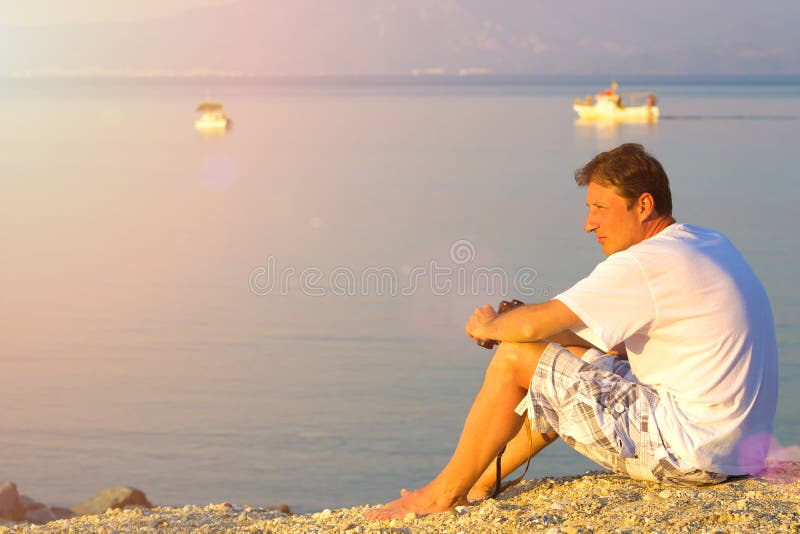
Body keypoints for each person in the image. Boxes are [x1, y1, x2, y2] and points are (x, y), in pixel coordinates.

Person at [366, 143, 778, 519]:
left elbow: (530, 326)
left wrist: (490, 324)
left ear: (643, 205)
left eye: (600, 207)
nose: (588, 223)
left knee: (515, 359)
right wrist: (534, 335)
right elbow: (604, 345)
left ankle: (442, 495)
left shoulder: (643, 264)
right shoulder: (705, 242)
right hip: (732, 449)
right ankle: (482, 480)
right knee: (567, 368)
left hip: (688, 453)